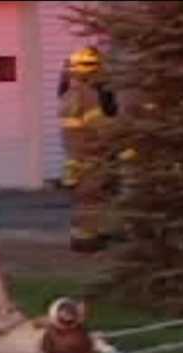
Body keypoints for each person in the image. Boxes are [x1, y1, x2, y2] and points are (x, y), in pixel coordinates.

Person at [58, 46, 125, 253]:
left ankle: (87, 236)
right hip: (91, 157)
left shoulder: (68, 94)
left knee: (86, 200)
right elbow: (100, 127)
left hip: (76, 158)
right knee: (91, 201)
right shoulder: (87, 95)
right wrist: (125, 133)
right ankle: (86, 241)